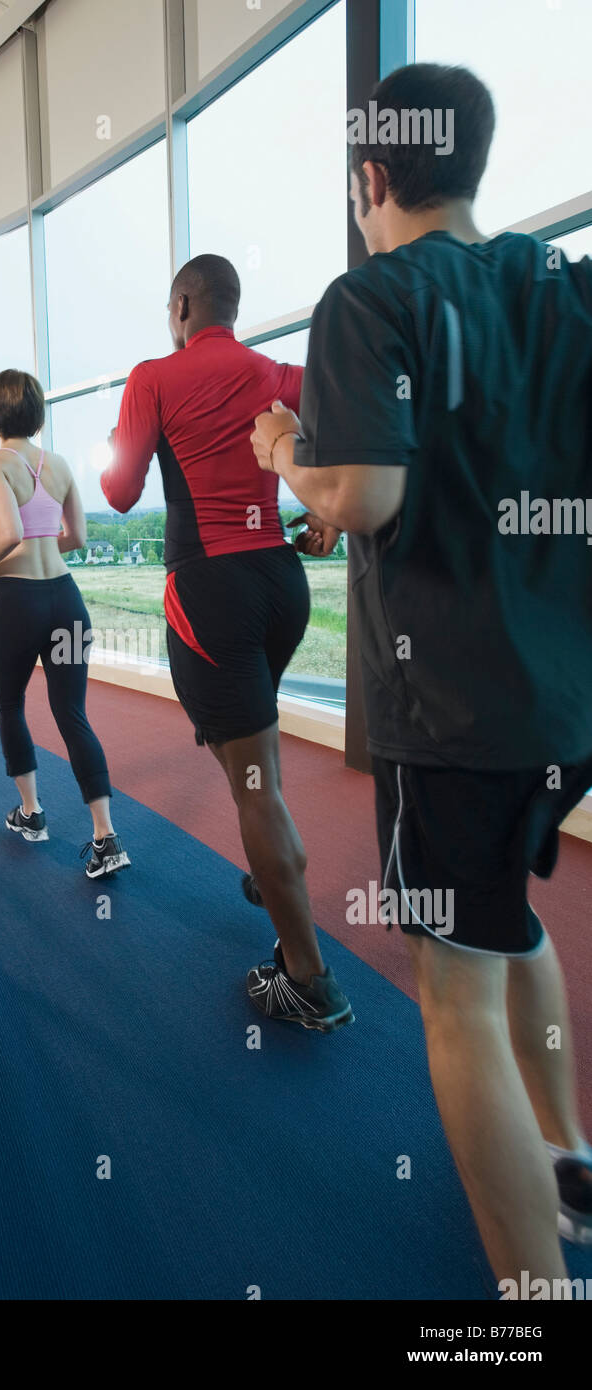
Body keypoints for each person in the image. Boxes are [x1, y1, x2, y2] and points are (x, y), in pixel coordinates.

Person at [251, 62, 592, 1287]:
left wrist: (285, 448)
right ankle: (566, 1157)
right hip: (564, 704)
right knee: (509, 921)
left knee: (451, 991)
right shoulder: (561, 284)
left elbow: (358, 496)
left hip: (451, 710)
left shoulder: (369, 297)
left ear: (371, 178)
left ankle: (530, 1296)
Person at [102, 253, 353, 1031]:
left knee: (254, 788)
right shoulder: (275, 373)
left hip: (210, 593)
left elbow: (119, 492)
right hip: (282, 586)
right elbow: (354, 419)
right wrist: (329, 512)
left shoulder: (153, 377)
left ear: (182, 307)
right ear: (232, 308)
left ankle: (309, 982)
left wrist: (123, 440)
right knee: (255, 757)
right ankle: (270, 870)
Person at [0, 368, 130, 880]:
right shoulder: (59, 464)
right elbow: (76, 537)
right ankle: (106, 837)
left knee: (10, 705)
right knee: (72, 714)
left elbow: (7, 533)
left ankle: (31, 815)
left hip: (18, 602)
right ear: (36, 414)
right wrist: (40, 546)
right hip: (65, 600)